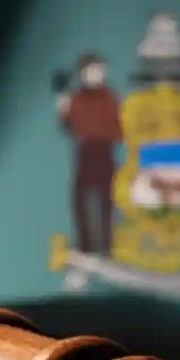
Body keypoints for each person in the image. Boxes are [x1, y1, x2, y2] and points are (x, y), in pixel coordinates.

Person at [57, 53, 121, 256]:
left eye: (99, 70)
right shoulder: (78, 98)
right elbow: (68, 125)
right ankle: (85, 244)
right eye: (92, 71)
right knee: (81, 196)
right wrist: (62, 104)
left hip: (104, 150)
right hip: (85, 150)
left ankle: (106, 244)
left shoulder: (110, 97)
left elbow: (118, 126)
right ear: (83, 74)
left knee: (106, 197)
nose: (97, 74)